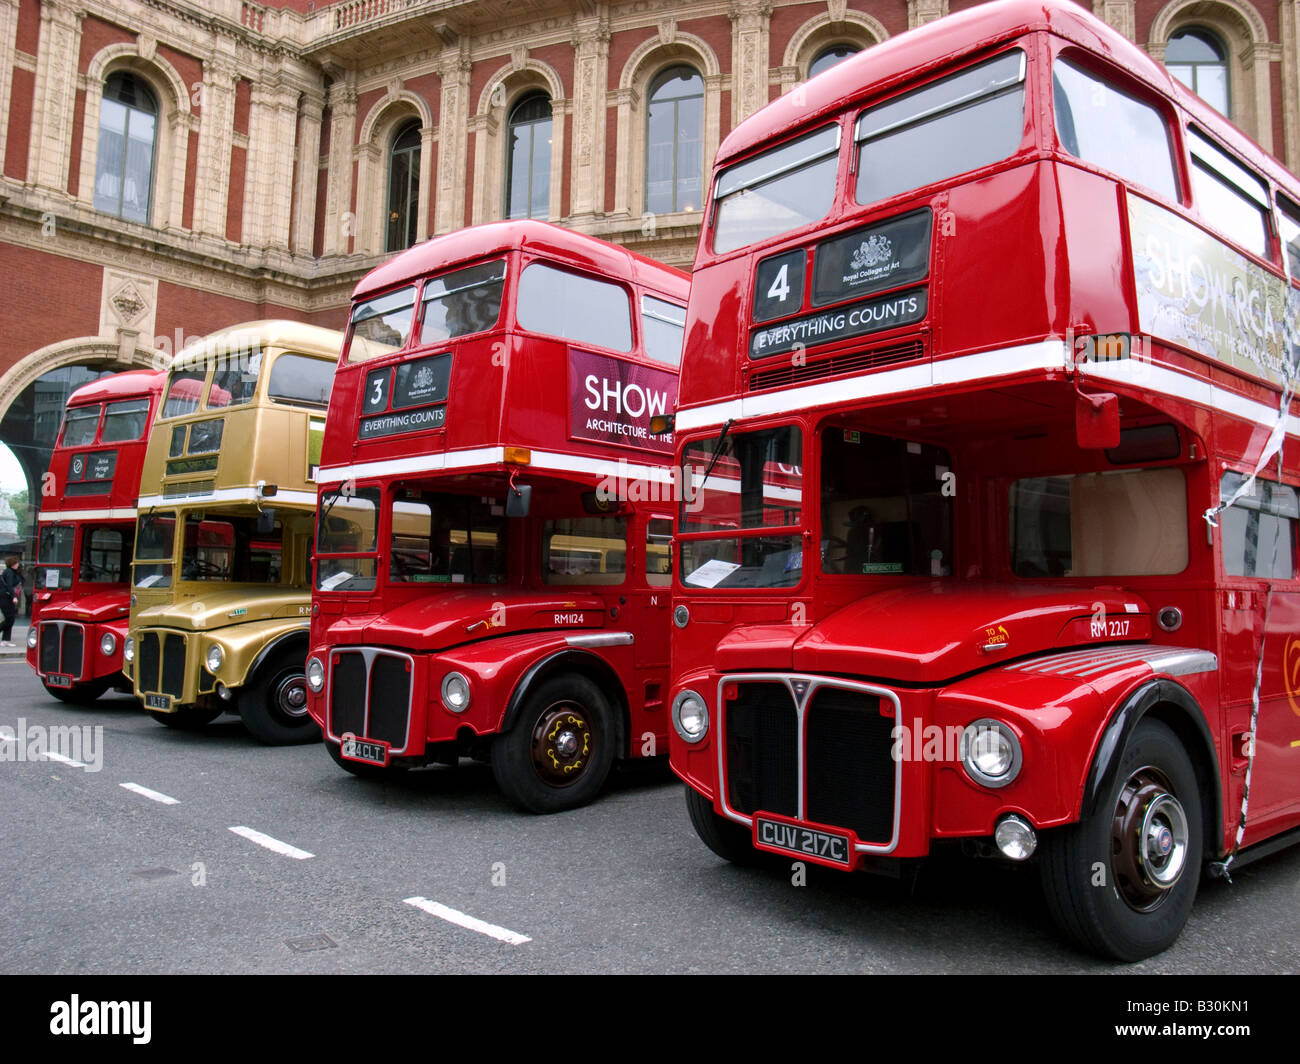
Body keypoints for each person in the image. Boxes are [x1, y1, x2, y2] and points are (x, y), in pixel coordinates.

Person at [0, 554, 22, 646]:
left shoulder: (12, 572)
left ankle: (6, 640)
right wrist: (14, 597)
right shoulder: (9, 572)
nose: (18, 564)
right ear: (13, 564)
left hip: (7, 597)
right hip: (5, 598)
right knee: (10, 618)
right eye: (17, 563)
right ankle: (5, 639)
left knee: (11, 618)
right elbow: (9, 585)